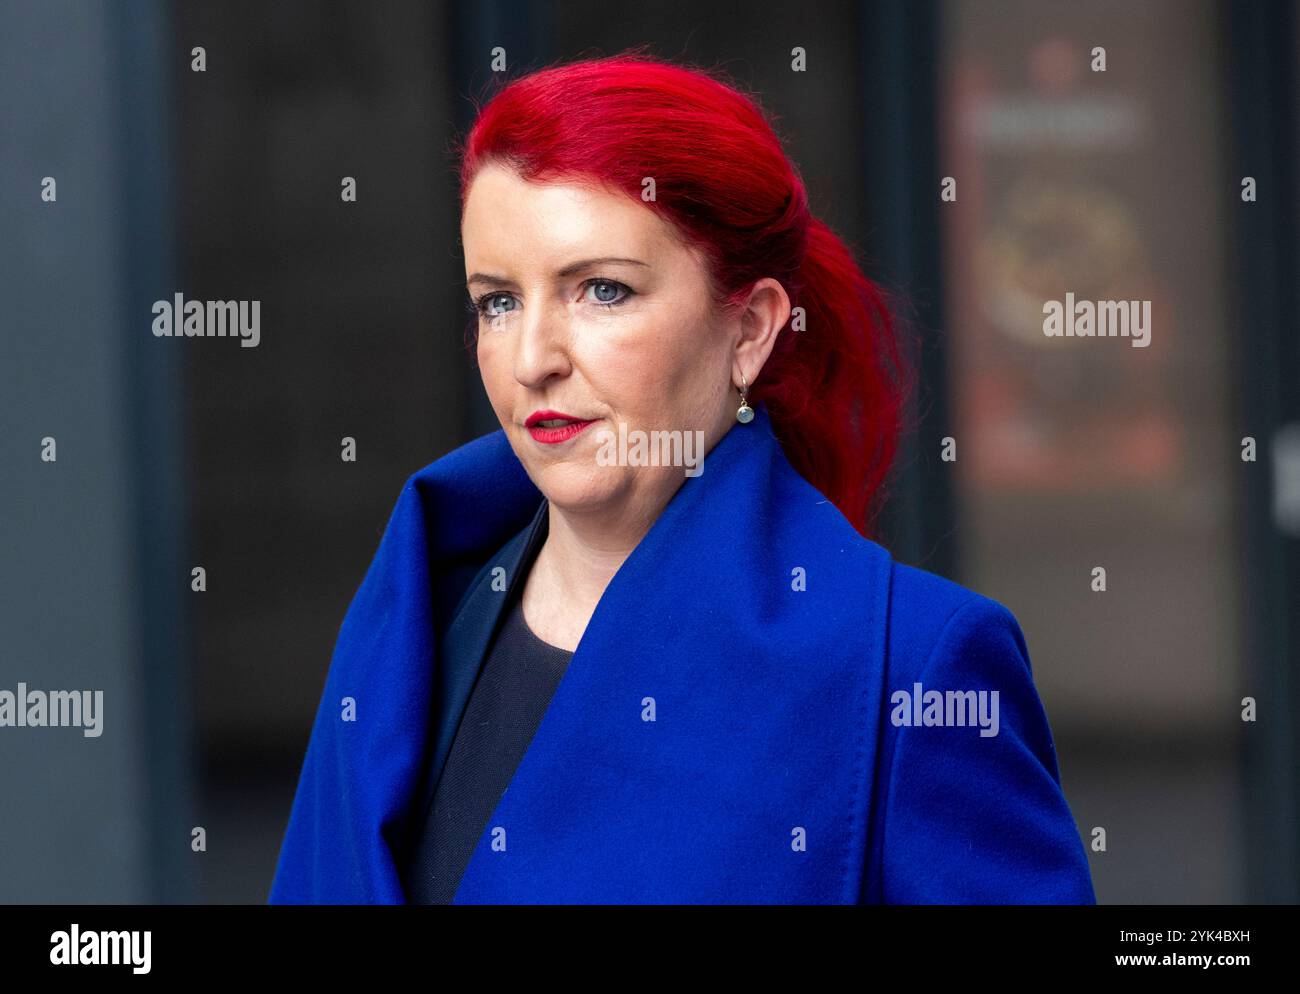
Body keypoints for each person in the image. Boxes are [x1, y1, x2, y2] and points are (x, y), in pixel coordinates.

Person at [268, 51, 1096, 905]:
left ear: (750, 330)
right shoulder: (414, 607)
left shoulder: (917, 667)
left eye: (601, 291)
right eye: (498, 301)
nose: (532, 360)